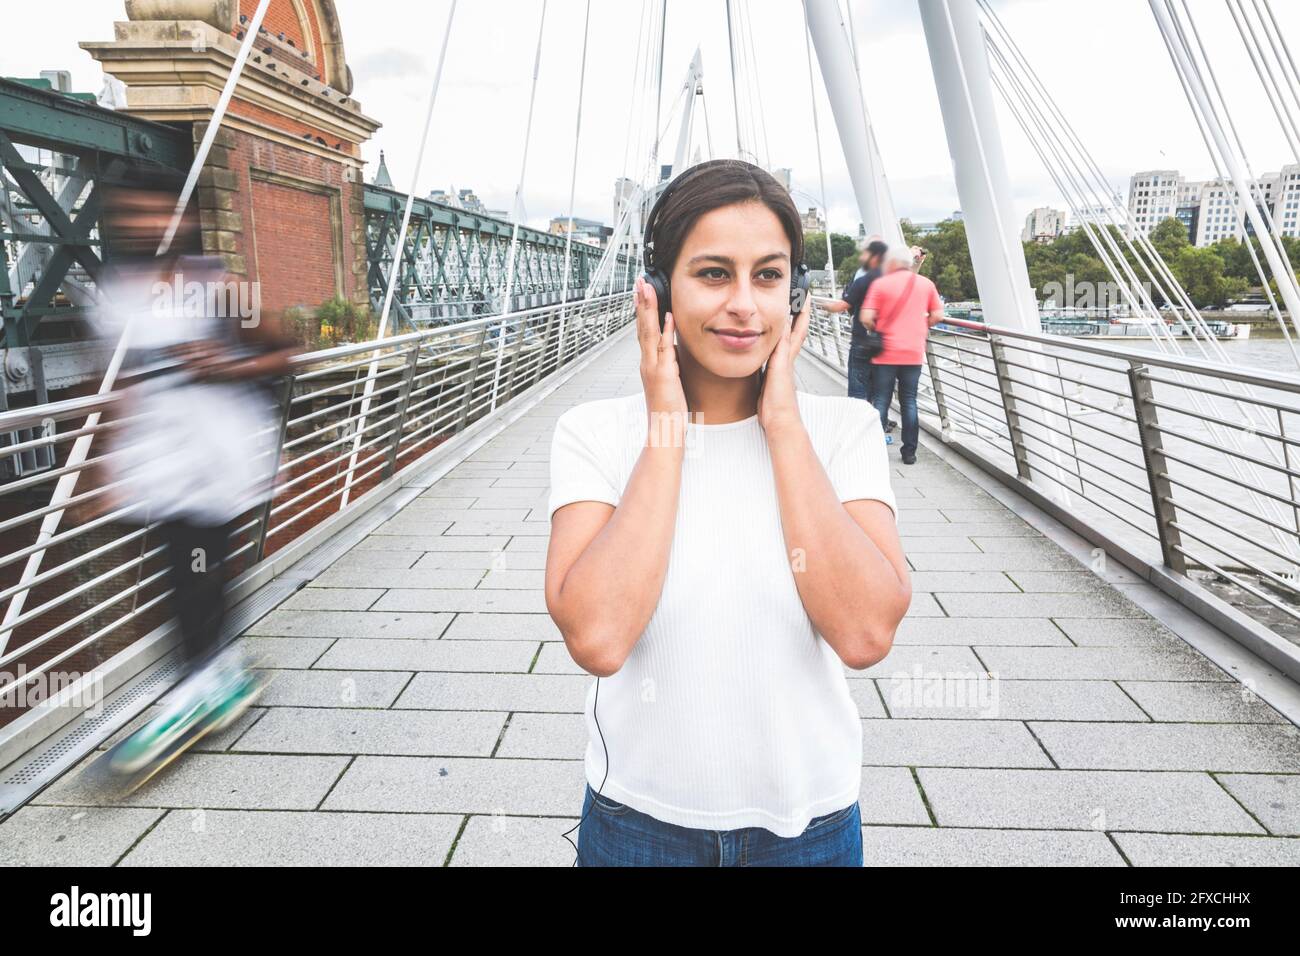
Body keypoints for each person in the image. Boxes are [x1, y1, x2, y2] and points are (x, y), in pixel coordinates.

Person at [544, 159, 911, 867]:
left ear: (796, 295)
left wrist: (783, 428)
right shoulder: (594, 435)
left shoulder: (845, 434)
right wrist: (667, 430)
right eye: (714, 273)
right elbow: (599, 638)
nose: (745, 304)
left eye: (768, 276)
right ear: (658, 292)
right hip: (639, 826)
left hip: (811, 831)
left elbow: (865, 633)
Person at [92, 162, 297, 778]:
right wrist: (102, 463)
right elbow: (121, 384)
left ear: (185, 219)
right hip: (155, 464)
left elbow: (289, 353)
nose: (149, 224)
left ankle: (193, 688)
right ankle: (217, 673)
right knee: (190, 575)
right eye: (134, 214)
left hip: (219, 464)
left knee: (193, 574)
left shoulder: (222, 288)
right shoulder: (114, 296)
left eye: (160, 211)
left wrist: (224, 368)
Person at [860, 244, 946, 466]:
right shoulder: (926, 284)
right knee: (909, 401)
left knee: (881, 400)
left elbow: (866, 318)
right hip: (913, 351)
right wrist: (920, 324)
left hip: (885, 352)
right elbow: (938, 314)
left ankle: (875, 448)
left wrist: (881, 325)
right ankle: (909, 452)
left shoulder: (880, 284)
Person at [821, 238, 887, 407]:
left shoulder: (864, 280)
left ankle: (857, 424)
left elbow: (844, 305)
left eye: (866, 253)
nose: (862, 256)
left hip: (862, 341)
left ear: (874, 256)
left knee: (858, 388)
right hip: (885, 343)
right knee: (878, 389)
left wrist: (824, 307)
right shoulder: (891, 279)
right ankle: (878, 424)